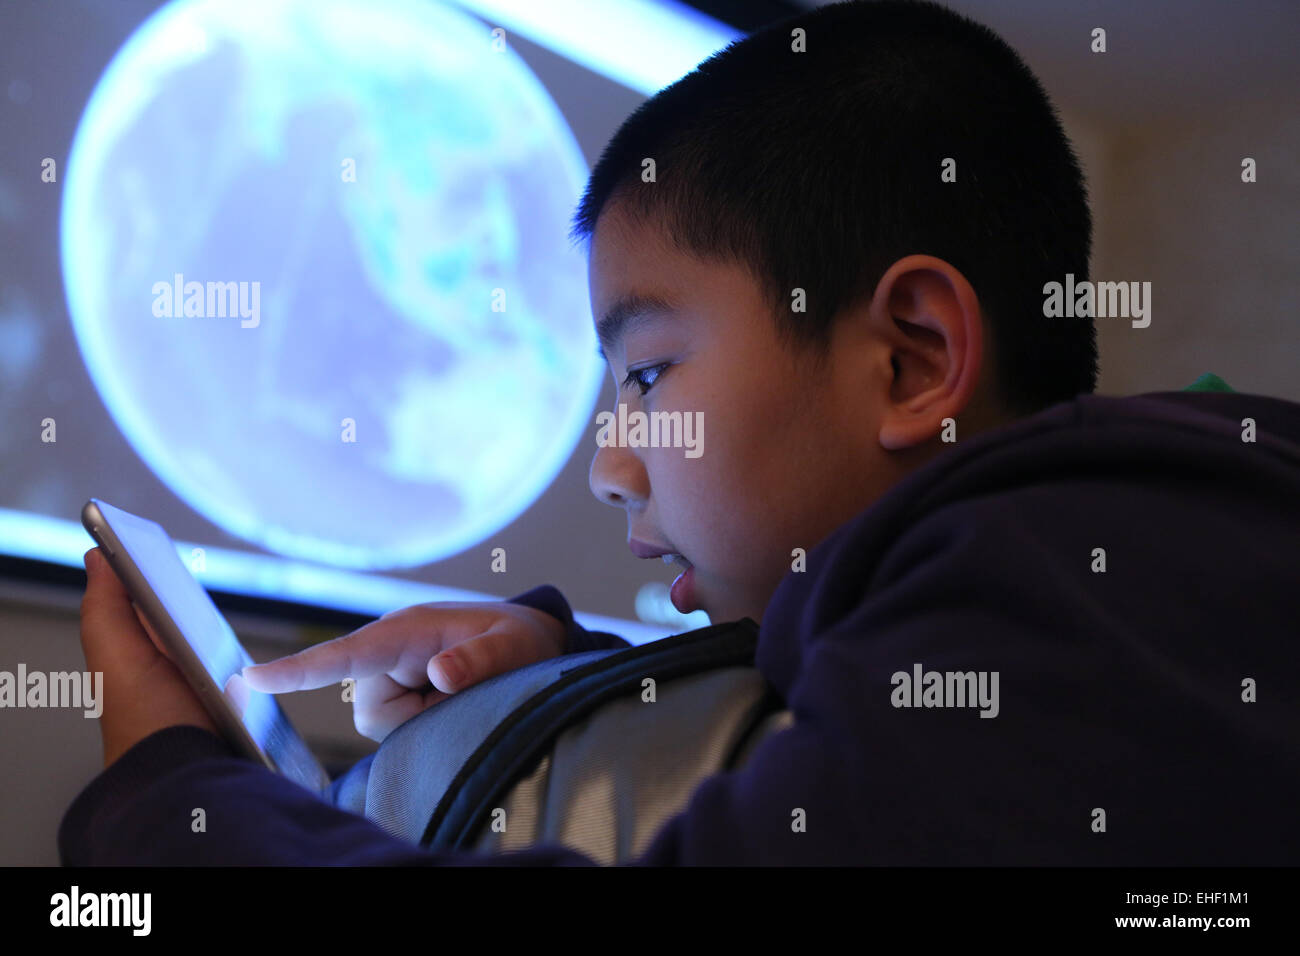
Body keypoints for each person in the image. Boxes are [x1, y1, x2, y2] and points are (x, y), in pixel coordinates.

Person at [61, 0, 1299, 866]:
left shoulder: (1109, 576)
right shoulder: (1094, 576)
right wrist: (566, 666)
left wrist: (172, 796)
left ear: (911, 359)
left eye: (650, 371)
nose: (608, 463)